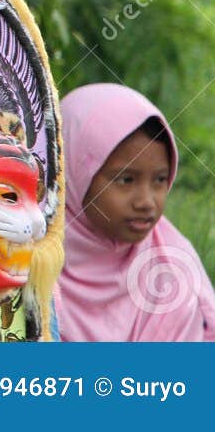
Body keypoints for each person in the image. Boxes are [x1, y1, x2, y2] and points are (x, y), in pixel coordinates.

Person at [58, 82, 215, 341]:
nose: (146, 202)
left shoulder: (172, 273)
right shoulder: (20, 262)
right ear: (72, 173)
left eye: (160, 180)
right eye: (126, 180)